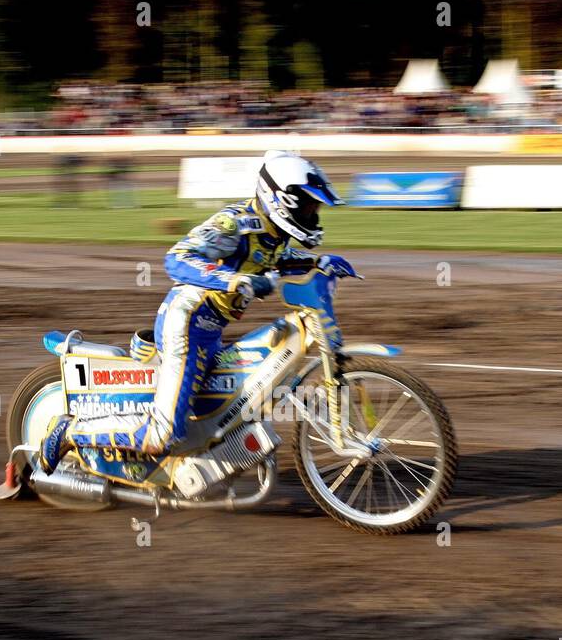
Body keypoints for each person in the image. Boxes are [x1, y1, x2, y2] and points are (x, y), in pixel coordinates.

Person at [37, 151, 356, 472]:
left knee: (217, 410)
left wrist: (319, 261)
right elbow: (178, 258)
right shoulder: (233, 224)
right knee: (164, 434)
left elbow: (275, 260)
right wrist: (234, 281)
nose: (314, 214)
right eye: (309, 206)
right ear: (283, 200)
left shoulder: (273, 234)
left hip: (209, 330)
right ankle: (69, 431)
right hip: (186, 322)